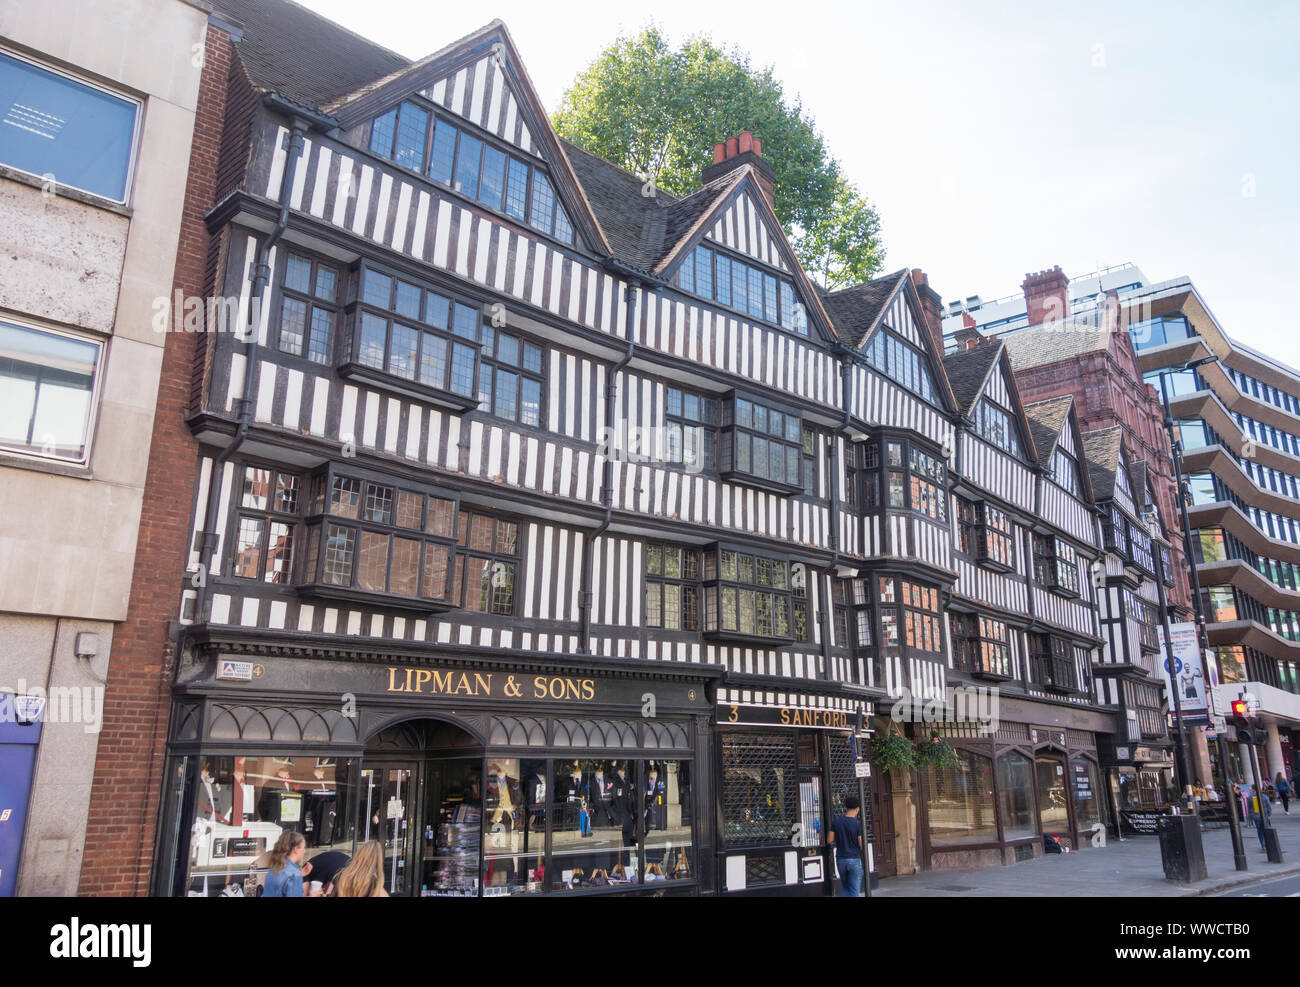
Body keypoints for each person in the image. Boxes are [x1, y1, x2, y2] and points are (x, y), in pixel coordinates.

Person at [828, 794, 865, 897]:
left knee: (846, 889)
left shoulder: (836, 822)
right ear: (857, 809)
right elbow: (861, 844)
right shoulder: (857, 824)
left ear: (846, 807)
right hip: (854, 858)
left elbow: (830, 839)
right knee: (854, 891)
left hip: (841, 859)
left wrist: (840, 837)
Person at [263, 831, 312, 897]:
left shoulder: (274, 868)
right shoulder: (295, 874)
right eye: (303, 847)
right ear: (296, 849)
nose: (304, 851)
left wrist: (300, 874)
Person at [1249, 784, 1273, 850]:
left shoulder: (1250, 797)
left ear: (1253, 789)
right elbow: (1269, 807)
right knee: (1266, 829)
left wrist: (1251, 817)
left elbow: (1250, 808)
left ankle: (1263, 844)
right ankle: (1267, 843)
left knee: (1260, 831)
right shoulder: (1264, 797)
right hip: (1265, 816)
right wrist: (1268, 814)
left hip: (1256, 816)